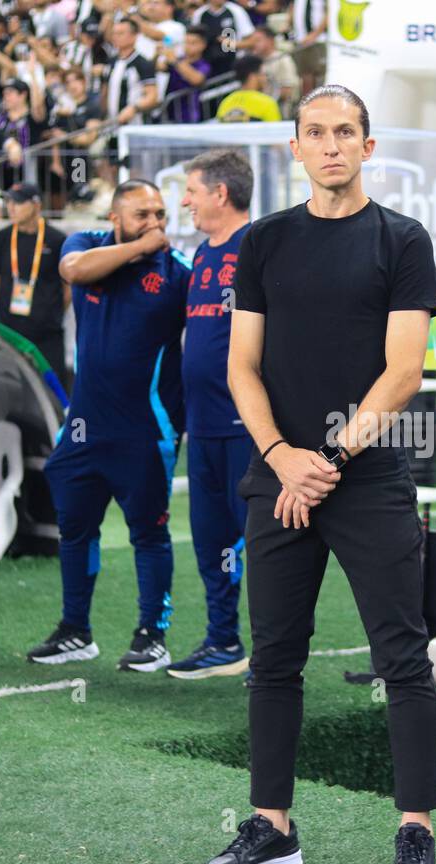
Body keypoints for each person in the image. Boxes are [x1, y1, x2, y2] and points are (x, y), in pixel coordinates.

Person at [208, 85, 436, 864]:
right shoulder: (266, 241)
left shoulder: (402, 240)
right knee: (274, 658)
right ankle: (271, 828)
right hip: (278, 480)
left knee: (402, 658)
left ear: (368, 147)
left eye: (346, 132)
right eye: (317, 132)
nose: (333, 144)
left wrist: (330, 461)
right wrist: (282, 458)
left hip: (367, 480)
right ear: (296, 149)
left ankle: (416, 831)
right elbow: (241, 368)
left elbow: (403, 372)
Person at [25, 179, 190, 672]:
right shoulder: (86, 246)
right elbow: (70, 270)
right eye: (142, 214)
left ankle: (152, 635)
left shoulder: (177, 271)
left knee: (149, 533)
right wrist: (139, 246)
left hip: (146, 429)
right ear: (114, 219)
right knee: (75, 528)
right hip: (83, 428)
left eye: (160, 214)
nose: (155, 224)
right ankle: (76, 629)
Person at [169, 148, 253, 680]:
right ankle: (224, 642)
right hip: (201, 428)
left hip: (249, 429)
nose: (184, 201)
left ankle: (272, 653)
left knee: (265, 548)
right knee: (211, 541)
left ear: (220, 193)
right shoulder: (202, 252)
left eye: (192, 192)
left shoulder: (260, 248)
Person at [0, 182, 70, 386]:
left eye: (18, 202)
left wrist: (49, 312)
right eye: (9, 202)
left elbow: (68, 289)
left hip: (47, 335)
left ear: (36, 205)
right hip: (9, 333)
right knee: (8, 391)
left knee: (53, 394)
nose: (11, 207)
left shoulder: (57, 240)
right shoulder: (1, 238)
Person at [190, 0, 254, 76]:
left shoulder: (236, 10)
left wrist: (231, 44)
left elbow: (252, 42)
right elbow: (193, 41)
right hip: (209, 65)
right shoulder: (199, 14)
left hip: (234, 62)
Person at [161, 26, 211, 124]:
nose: (188, 46)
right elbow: (160, 67)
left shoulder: (203, 65)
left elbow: (197, 79)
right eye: (186, 42)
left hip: (190, 115)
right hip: (169, 113)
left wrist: (175, 61)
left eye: (193, 43)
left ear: (203, 45)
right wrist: (158, 54)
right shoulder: (178, 58)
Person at [216, 54, 280, 122]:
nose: (265, 78)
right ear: (252, 76)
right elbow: (275, 131)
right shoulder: (267, 103)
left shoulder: (225, 103)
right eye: (263, 73)